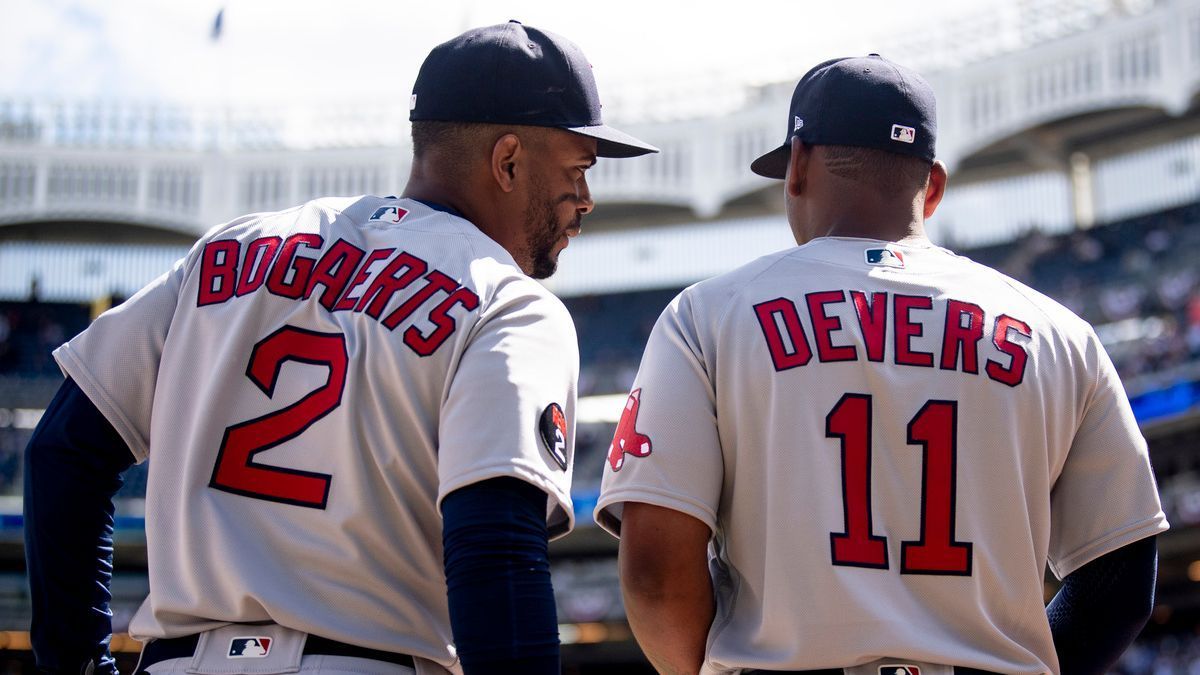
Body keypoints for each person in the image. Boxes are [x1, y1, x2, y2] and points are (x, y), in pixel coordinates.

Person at [23, 20, 656, 675]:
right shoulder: (507, 302)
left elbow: (63, 451)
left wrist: (79, 664)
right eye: (578, 169)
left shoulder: (227, 249)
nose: (586, 199)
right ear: (508, 161)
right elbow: (495, 546)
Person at [594, 55, 1165, 675]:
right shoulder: (1060, 333)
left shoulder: (706, 316)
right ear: (934, 185)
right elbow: (1121, 579)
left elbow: (655, 575)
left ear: (798, 166)